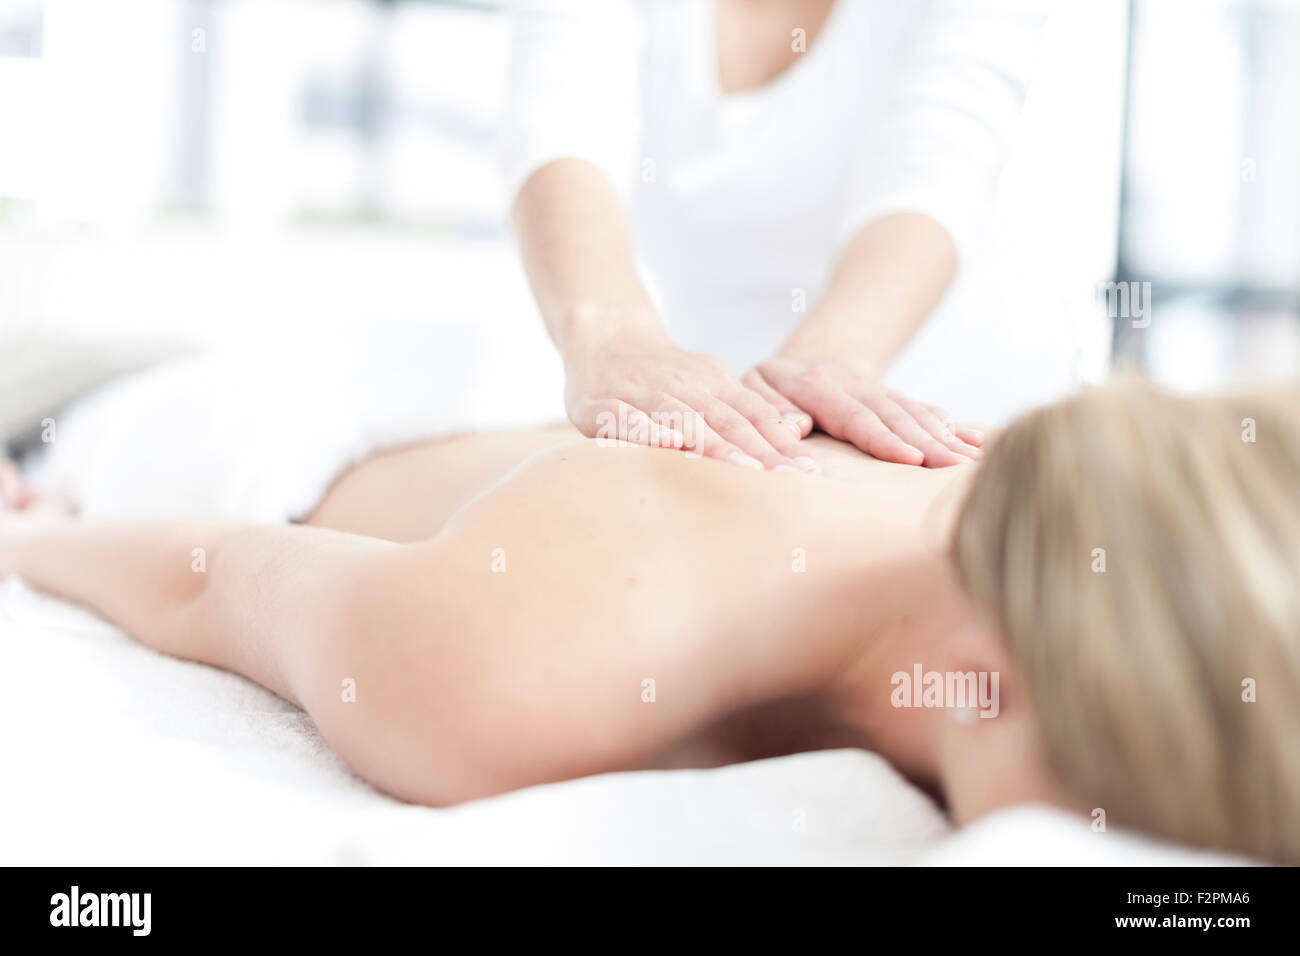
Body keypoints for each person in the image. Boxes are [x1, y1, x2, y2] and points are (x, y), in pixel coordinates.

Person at [2, 378, 1297, 864]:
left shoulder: (1079, 497)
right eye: (1119, 817)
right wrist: (36, 539)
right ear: (978, 683)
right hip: (261, 429)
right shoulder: (508, 675)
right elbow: (211, 574)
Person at [505, 0, 1046, 470]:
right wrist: (609, 338)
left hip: (932, 410)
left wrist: (831, 360)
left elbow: (936, 166)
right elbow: (560, 126)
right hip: (709, 414)